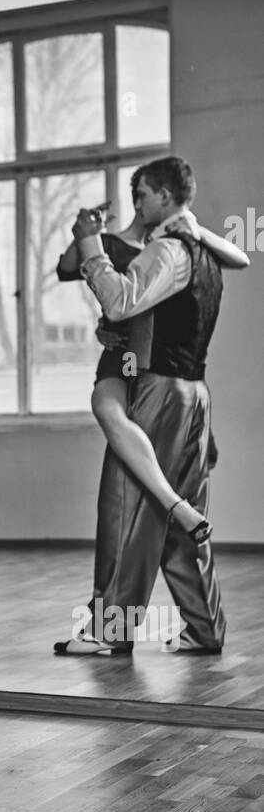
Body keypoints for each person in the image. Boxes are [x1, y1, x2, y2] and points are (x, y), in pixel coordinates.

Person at [55, 156, 231, 657]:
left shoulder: (166, 252)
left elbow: (117, 303)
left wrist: (92, 248)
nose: (139, 203)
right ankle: (204, 627)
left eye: (145, 194)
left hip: (158, 390)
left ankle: (111, 629)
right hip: (196, 395)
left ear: (166, 197)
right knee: (182, 518)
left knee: (127, 505)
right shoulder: (207, 255)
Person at [55, 172, 249, 545]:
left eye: (145, 195)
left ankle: (176, 515)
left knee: (191, 447)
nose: (140, 203)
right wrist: (85, 233)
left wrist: (191, 228)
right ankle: (174, 506)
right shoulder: (111, 243)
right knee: (106, 408)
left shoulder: (174, 245)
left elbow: (240, 258)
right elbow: (67, 268)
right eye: (137, 195)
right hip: (123, 355)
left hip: (165, 364)